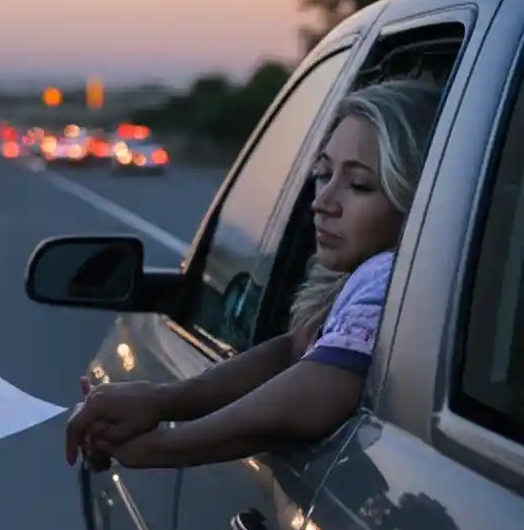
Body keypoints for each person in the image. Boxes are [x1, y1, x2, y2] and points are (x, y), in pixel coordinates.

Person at [65, 77, 442, 471]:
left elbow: (314, 394)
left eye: (360, 185)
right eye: (323, 173)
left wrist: (165, 446)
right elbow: (294, 348)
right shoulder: (374, 282)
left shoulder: (386, 277)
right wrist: (161, 400)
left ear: (420, 197)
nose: (323, 202)